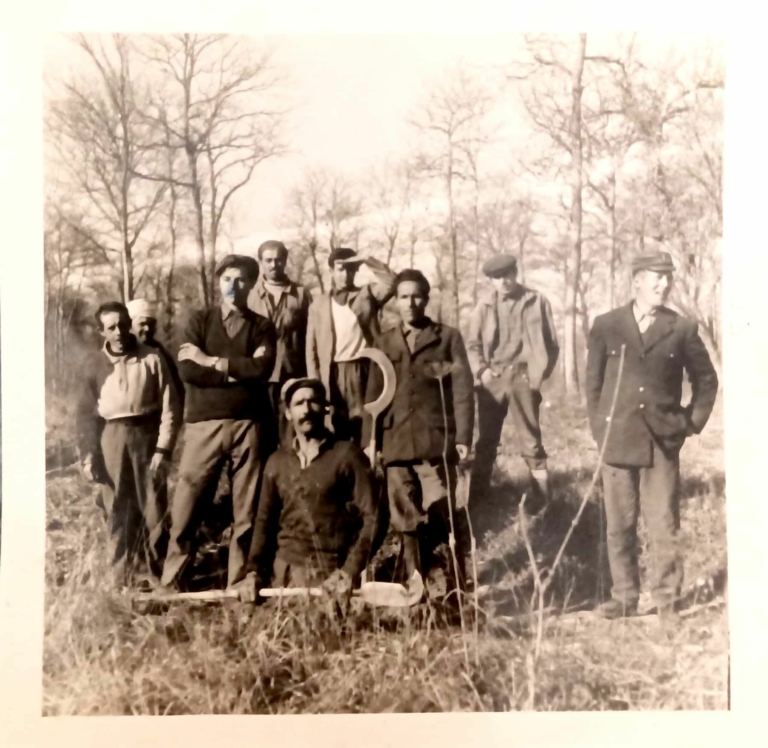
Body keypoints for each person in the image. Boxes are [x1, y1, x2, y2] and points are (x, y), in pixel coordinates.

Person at [586, 251, 718, 624]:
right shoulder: (607, 325)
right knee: (620, 525)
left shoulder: (682, 328)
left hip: (663, 443)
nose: (664, 284)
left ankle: (667, 602)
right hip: (618, 439)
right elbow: (593, 385)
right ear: (637, 281)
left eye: (668, 277)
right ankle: (624, 597)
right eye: (656, 277)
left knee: (663, 524)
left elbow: (707, 381)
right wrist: (600, 429)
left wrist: (689, 423)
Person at [160, 254, 277, 592]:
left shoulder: (262, 326)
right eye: (226, 279)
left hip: (249, 424)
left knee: (246, 509)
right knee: (187, 503)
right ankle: (173, 579)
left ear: (252, 284)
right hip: (203, 425)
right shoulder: (200, 320)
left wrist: (210, 361)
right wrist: (237, 370)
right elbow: (188, 370)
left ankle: (239, 582)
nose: (232, 286)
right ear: (218, 282)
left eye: (240, 279)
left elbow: (261, 370)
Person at [363, 270, 474, 598]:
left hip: (434, 441)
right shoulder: (383, 341)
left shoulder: (447, 338)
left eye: (416, 296)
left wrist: (463, 437)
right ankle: (415, 584)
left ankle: (455, 583)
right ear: (395, 302)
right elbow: (373, 394)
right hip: (395, 442)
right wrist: (370, 441)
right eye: (403, 297)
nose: (410, 303)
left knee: (442, 511)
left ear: (426, 299)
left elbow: (463, 391)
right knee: (405, 516)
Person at [237, 378, 381, 603]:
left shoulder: (347, 455)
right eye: (299, 403)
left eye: (313, 402)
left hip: (329, 577)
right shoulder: (277, 462)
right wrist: (252, 572)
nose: (306, 409)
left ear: (325, 409)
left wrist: (349, 571)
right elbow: (264, 522)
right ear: (288, 413)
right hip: (281, 578)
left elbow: (375, 517)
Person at [76, 301, 181, 589]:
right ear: (102, 332)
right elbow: (85, 417)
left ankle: (160, 577)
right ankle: (120, 578)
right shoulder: (94, 365)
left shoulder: (152, 358)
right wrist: (90, 456)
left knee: (154, 507)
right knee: (117, 508)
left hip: (147, 437)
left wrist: (163, 449)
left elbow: (171, 407)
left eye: (123, 325)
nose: (119, 332)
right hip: (111, 439)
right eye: (111, 327)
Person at [467, 254, 559, 512]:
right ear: (491, 281)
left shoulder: (536, 301)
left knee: (531, 440)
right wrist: (482, 371)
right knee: (487, 441)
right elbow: (472, 345)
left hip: (523, 378)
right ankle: (477, 502)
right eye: (497, 278)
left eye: (507, 275)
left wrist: (537, 375)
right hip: (492, 379)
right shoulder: (484, 306)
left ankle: (543, 503)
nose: (503, 281)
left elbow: (552, 344)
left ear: (515, 273)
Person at [306, 248, 395, 444]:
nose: (345, 275)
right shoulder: (318, 305)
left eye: (350, 269)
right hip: (333, 373)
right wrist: (315, 383)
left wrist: (367, 259)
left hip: (363, 369)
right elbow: (311, 350)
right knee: (336, 425)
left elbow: (391, 282)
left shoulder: (367, 295)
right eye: (340, 269)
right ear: (331, 271)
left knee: (365, 423)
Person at [248, 240, 311, 444]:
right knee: (260, 437)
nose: (274, 265)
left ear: (285, 261)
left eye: (278, 260)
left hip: (290, 374)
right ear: (260, 262)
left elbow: (311, 335)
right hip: (257, 378)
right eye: (268, 260)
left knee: (290, 436)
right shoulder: (250, 295)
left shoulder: (300, 294)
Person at [126, 298, 185, 410]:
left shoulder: (160, 354)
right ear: (129, 326)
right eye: (142, 324)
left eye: (151, 324)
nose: (147, 328)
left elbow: (176, 393)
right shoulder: (119, 353)